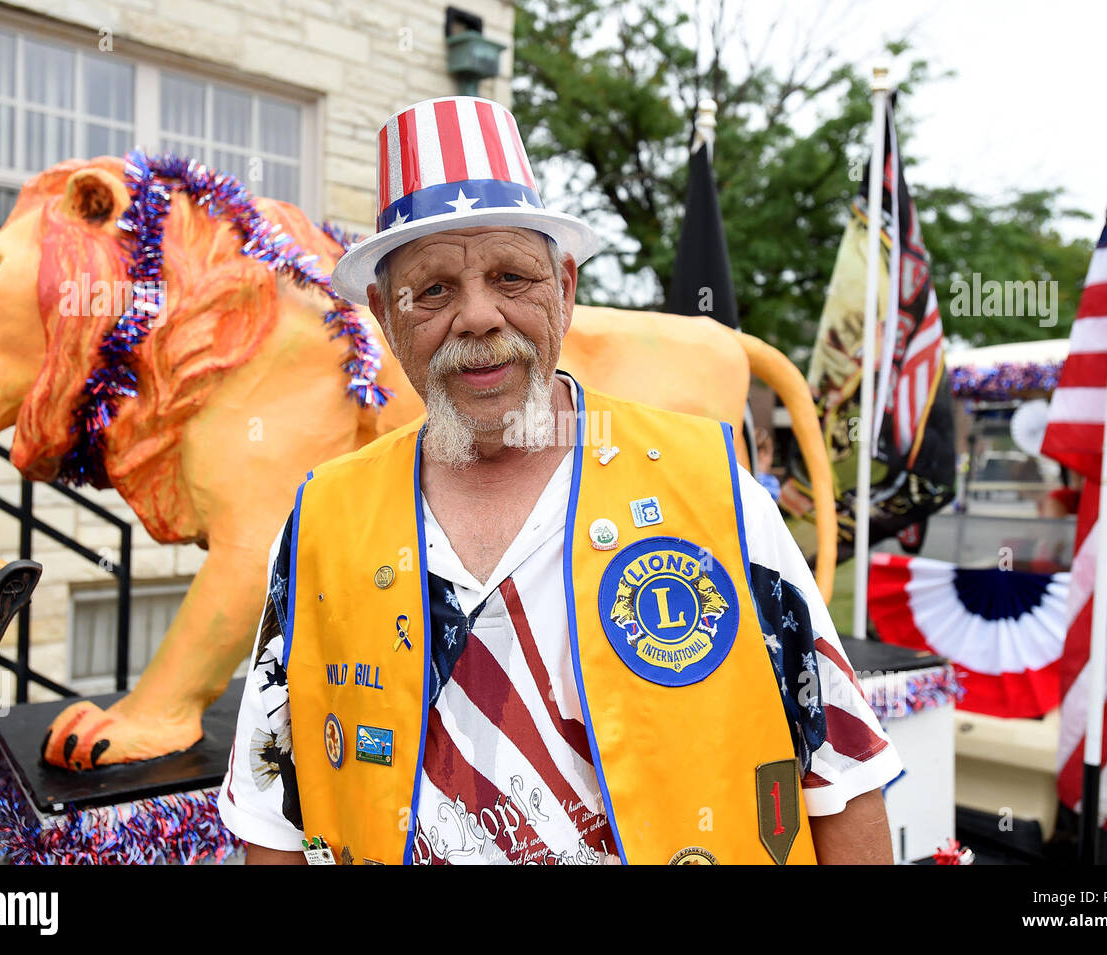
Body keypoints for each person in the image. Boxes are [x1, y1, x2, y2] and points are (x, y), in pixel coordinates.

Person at [218, 96, 901, 865]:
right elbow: (274, 817)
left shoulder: (716, 492)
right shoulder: (321, 523)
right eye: (434, 289)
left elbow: (839, 775)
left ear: (566, 287)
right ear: (382, 314)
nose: (478, 317)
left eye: (512, 276)